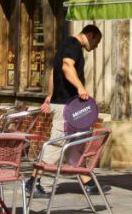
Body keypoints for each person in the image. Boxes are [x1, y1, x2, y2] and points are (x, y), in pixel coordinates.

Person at [27, 24, 110, 197]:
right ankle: (33, 182)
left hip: (66, 104)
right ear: (90, 35)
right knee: (57, 143)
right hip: (66, 106)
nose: (96, 47)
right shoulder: (74, 45)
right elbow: (66, 67)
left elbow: (53, 73)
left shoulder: (67, 45)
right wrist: (80, 87)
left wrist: (50, 95)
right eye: (97, 42)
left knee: (75, 145)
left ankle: (88, 183)